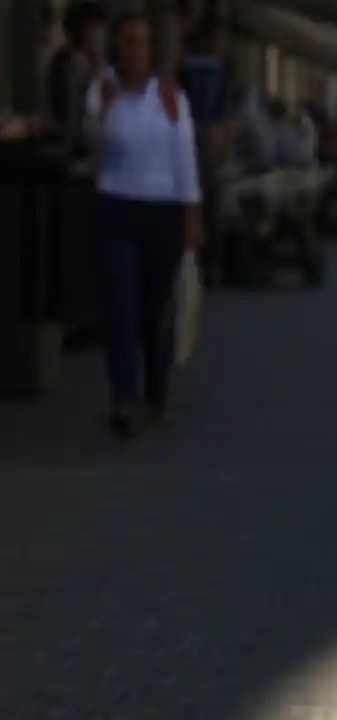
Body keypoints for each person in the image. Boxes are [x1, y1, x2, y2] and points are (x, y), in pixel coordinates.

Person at [85, 12, 202, 438]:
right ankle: (123, 396)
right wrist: (103, 112)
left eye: (143, 43)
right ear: (118, 48)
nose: (136, 51)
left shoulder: (169, 97)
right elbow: (90, 146)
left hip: (163, 210)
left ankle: (156, 391)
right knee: (120, 306)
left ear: (152, 51)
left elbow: (184, 159)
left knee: (155, 309)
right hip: (116, 205)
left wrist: (191, 217)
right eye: (129, 42)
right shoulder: (103, 91)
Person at [46, 0, 108, 156]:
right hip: (77, 150)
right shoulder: (64, 64)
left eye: (100, 29)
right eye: (92, 29)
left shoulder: (107, 64)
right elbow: (64, 116)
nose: (98, 35)